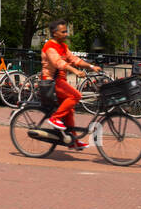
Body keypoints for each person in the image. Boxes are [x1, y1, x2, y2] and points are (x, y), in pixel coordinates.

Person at [40, 19, 101, 149]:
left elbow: (74, 59)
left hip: (60, 81)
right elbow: (58, 63)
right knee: (75, 96)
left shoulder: (63, 46)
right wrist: (75, 71)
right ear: (55, 33)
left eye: (66, 31)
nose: (66, 34)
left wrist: (91, 66)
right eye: (63, 32)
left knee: (69, 110)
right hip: (51, 81)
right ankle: (55, 118)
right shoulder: (50, 47)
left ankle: (72, 141)